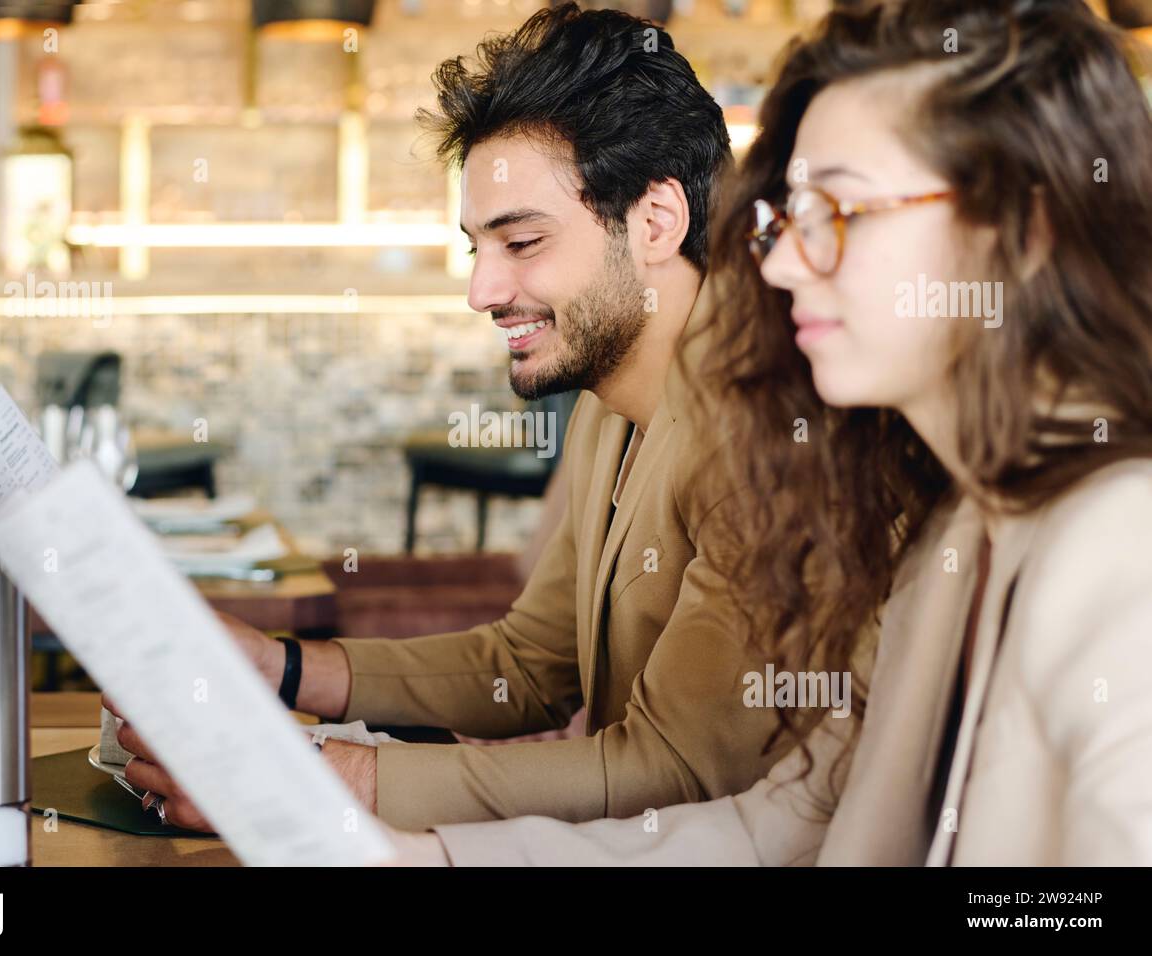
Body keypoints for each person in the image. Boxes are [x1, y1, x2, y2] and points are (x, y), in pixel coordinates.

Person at [385, 0, 1152, 864]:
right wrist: (415, 856)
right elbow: (775, 823)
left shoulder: (1122, 546)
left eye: (841, 214)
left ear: (1023, 229)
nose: (780, 261)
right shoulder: (957, 531)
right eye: (790, 217)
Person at [110, 3, 791, 831]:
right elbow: (531, 665)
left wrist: (331, 780)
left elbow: (678, 775)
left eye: (524, 243)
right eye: (478, 247)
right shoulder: (609, 410)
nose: (483, 292)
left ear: (655, 221)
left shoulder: (771, 441)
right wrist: (279, 668)